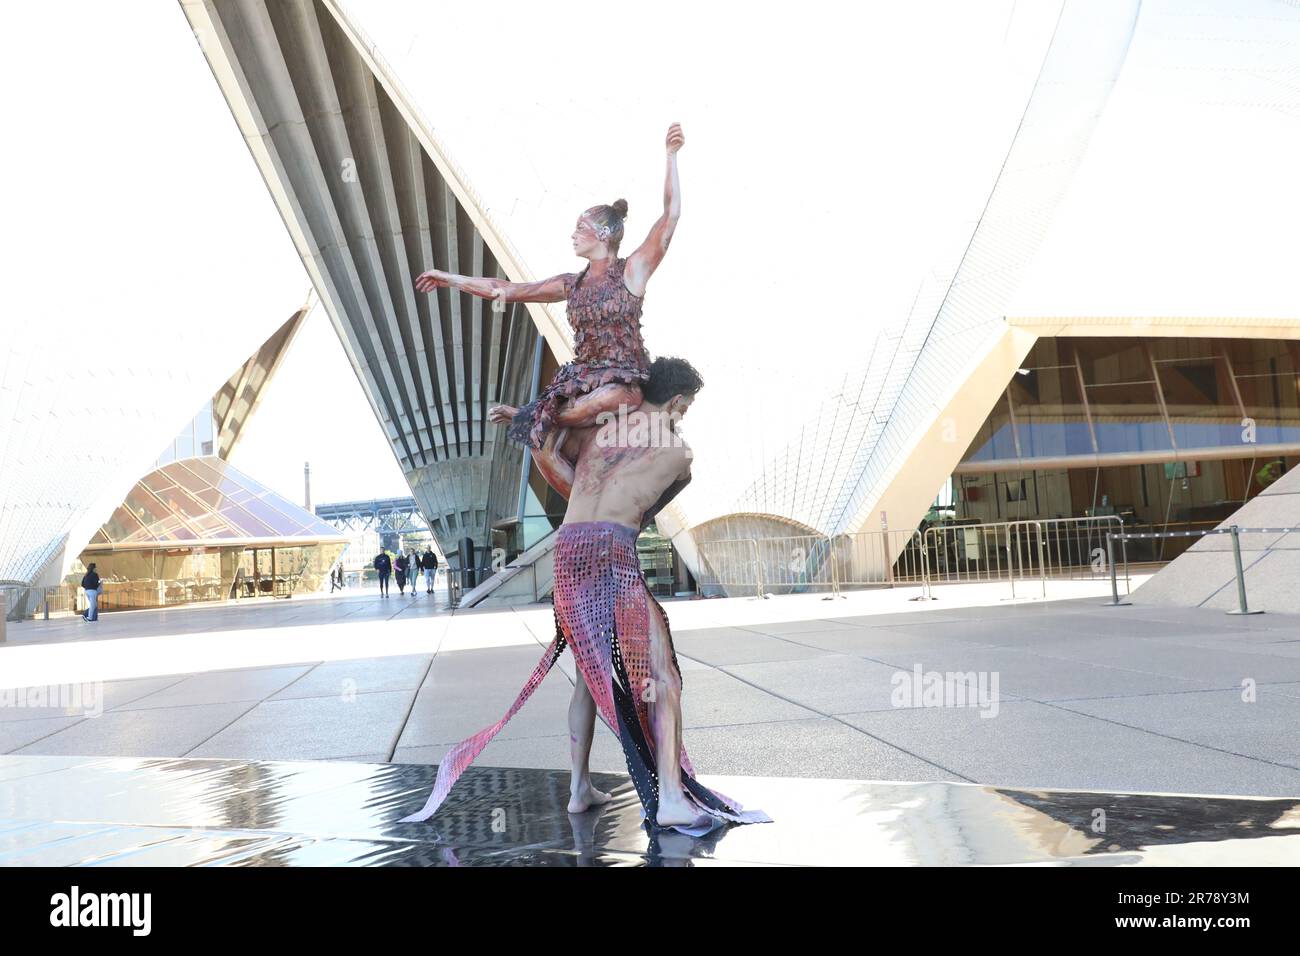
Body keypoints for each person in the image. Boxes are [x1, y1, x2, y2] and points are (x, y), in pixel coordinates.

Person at [399, 357, 770, 834]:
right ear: (676, 401)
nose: (685, 415)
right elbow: (645, 509)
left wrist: (522, 414)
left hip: (569, 549)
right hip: (610, 551)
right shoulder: (679, 452)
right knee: (662, 676)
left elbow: (555, 443)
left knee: (588, 673)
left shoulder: (599, 429)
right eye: (687, 406)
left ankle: (579, 789)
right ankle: (673, 797)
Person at [415, 123, 685, 468]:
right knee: (543, 445)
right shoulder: (569, 284)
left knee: (610, 397)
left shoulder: (631, 272)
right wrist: (449, 278)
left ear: (603, 234)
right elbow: (508, 290)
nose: (573, 236)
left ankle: (529, 414)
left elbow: (670, 216)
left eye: (580, 229)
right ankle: (580, 511)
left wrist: (671, 157)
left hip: (623, 379)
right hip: (580, 379)